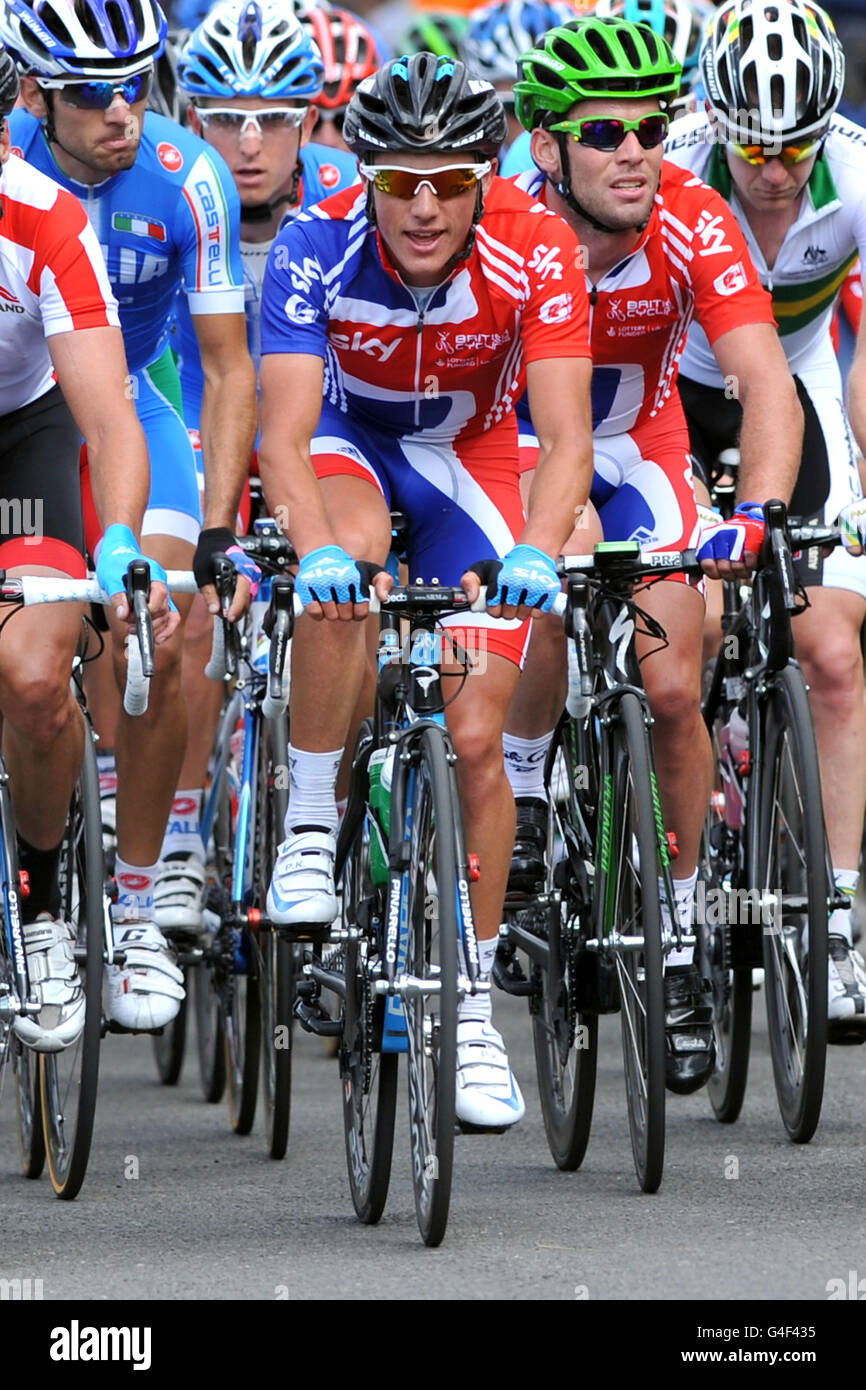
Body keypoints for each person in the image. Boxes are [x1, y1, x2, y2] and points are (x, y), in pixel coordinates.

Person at [258, 52, 595, 1128]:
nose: (421, 205)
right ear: (364, 174)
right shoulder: (314, 246)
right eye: (398, 179)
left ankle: (469, 1010)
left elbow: (568, 436)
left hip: (474, 459)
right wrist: (309, 549)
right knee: (345, 564)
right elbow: (278, 436)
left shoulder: (537, 249)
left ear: (483, 179)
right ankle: (312, 823)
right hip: (346, 444)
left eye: (447, 181)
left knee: (476, 734)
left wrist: (539, 548)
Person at [507, 14, 804, 1091]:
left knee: (674, 688)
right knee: (549, 559)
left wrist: (753, 514)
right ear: (548, 147)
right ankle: (528, 798)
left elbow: (764, 380)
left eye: (650, 125)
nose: (634, 149)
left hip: (641, 443)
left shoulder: (694, 216)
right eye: (603, 130)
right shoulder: (499, 220)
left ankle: (677, 938)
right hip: (521, 443)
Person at [1, 0, 258, 1030]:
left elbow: (229, 367)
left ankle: (139, 898)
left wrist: (206, 531)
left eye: (136, 87)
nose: (121, 113)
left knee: (164, 613)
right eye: (90, 95)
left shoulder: (184, 174)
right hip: (62, 391)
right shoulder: (16, 158)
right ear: (31, 95)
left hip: (107, 400)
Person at [665, 0, 866, 1038]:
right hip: (677, 391)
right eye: (749, 145)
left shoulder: (857, 169)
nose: (772, 170)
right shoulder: (671, 162)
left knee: (828, 650)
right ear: (716, 119)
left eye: (791, 147)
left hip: (797, 385)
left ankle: (833, 917)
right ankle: (688, 900)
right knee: (685, 640)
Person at [0, 45, 176, 1049]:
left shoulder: (43, 216)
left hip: (28, 440)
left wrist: (114, 538)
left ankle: (43, 911)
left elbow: (110, 420)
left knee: (33, 677)